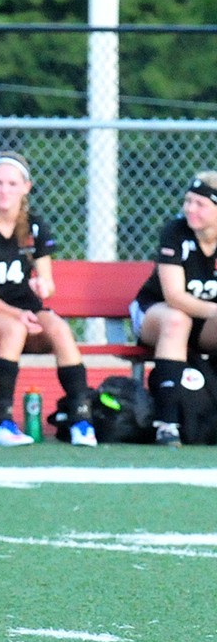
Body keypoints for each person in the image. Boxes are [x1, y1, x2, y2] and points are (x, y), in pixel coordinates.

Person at [0, 152, 97, 447]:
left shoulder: (35, 226)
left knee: (59, 329)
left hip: (27, 312)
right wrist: (17, 314)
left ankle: (82, 421)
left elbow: (47, 285)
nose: (5, 190)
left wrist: (42, 285)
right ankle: (1, 423)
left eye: (11, 183)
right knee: (13, 330)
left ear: (25, 187)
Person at [130, 172, 217, 448]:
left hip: (202, 321)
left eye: (199, 204)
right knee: (177, 320)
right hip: (156, 314)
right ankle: (167, 424)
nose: (190, 209)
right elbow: (175, 296)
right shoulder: (175, 232)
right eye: (188, 201)